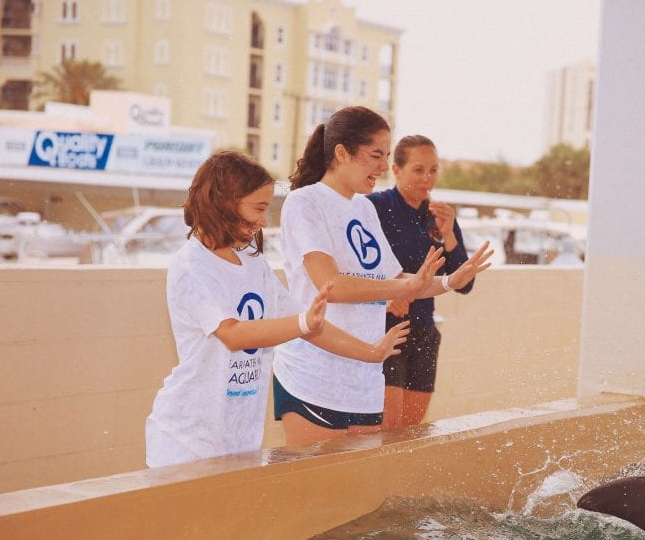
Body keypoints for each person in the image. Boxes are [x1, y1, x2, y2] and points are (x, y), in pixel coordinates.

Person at [145, 150, 410, 468]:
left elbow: (311, 326)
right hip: (187, 440)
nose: (262, 221)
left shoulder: (253, 264)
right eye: (258, 208)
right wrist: (303, 323)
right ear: (225, 201)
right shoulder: (191, 264)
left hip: (238, 439)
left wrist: (371, 352)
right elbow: (233, 334)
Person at [273, 106, 494, 447]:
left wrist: (451, 281)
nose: (381, 166)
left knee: (361, 490)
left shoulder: (362, 207)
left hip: (363, 378)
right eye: (376, 155)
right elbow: (332, 286)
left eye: (386, 155)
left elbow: (400, 278)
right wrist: (406, 285)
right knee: (314, 488)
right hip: (315, 376)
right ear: (341, 153)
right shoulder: (305, 203)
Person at [367, 135, 473, 429]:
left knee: (411, 433)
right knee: (387, 432)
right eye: (418, 169)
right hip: (387, 328)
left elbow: (464, 283)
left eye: (433, 170)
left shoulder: (439, 215)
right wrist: (389, 296)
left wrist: (449, 234)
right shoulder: (373, 208)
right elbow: (355, 267)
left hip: (424, 331)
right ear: (396, 169)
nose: (427, 178)